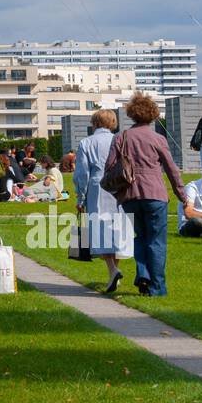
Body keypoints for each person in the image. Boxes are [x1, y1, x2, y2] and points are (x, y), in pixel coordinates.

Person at [103, 92, 186, 297]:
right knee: (156, 241)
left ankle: (144, 276)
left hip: (130, 195)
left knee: (140, 237)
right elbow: (171, 169)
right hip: (155, 194)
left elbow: (110, 169)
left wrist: (118, 193)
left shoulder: (120, 137)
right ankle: (156, 287)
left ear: (132, 114)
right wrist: (183, 196)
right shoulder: (158, 138)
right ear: (153, 115)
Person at [73, 108, 133, 292]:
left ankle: (112, 270)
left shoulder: (87, 142)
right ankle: (115, 271)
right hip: (120, 186)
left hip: (97, 187)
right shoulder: (122, 140)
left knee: (100, 230)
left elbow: (82, 174)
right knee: (118, 229)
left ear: (95, 122)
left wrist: (80, 196)